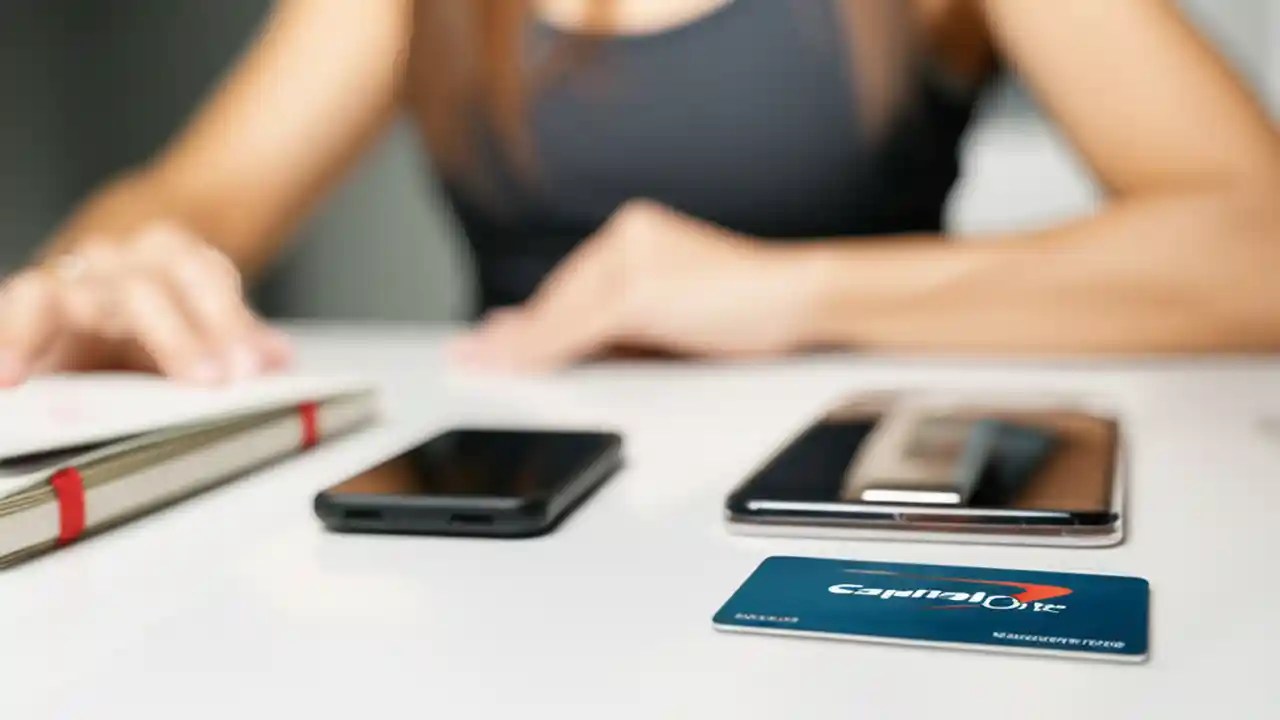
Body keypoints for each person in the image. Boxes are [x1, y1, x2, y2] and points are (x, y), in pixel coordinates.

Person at [0, 0, 1277, 385]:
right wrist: (111, 267)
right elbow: (199, 195)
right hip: (506, 506)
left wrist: (793, 291)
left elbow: (1255, 240)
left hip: (867, 517)